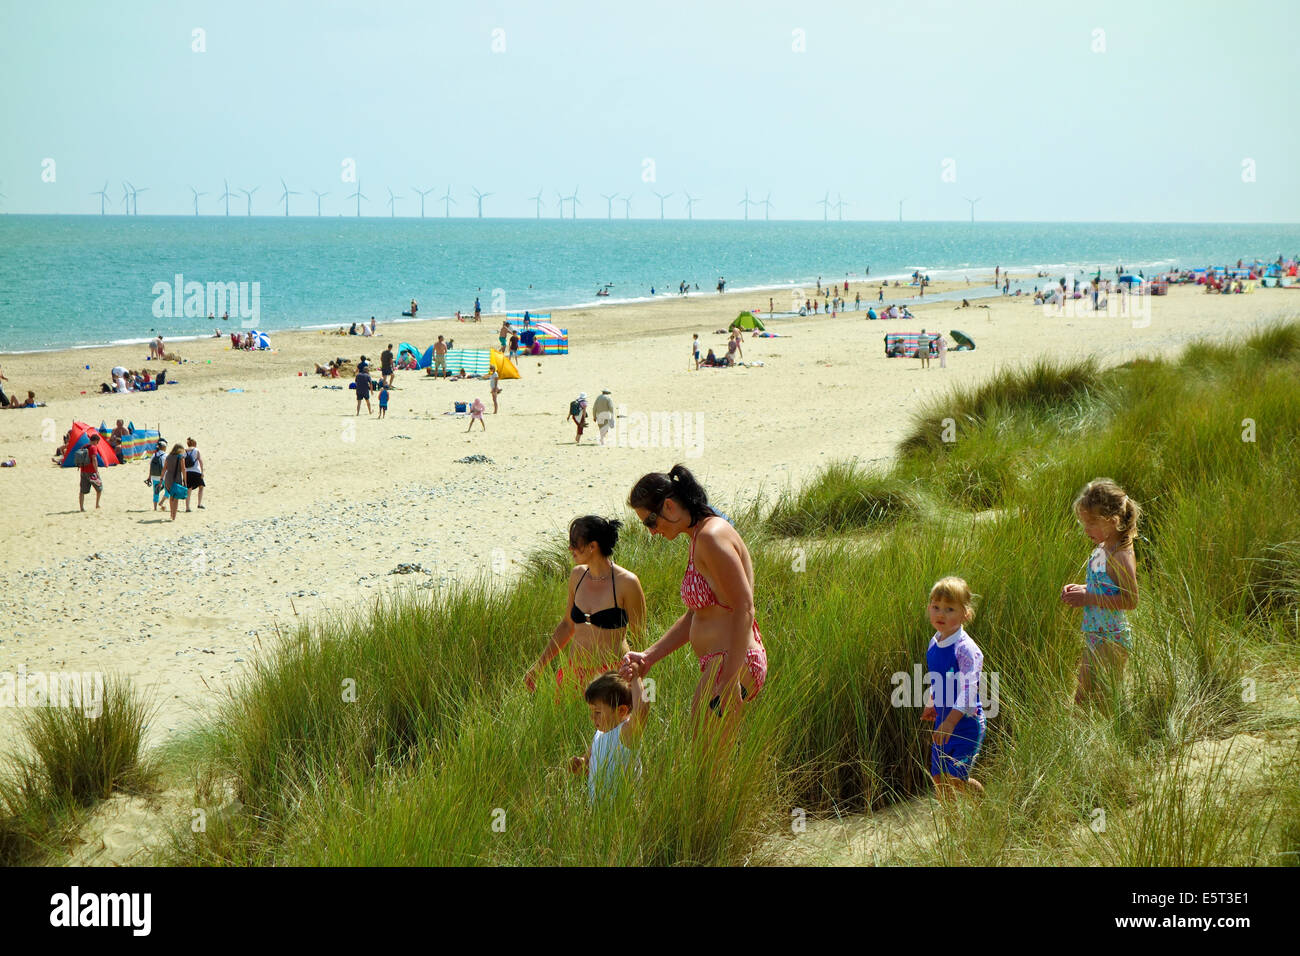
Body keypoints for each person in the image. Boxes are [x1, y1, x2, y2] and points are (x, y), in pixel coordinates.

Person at [621, 465, 766, 729]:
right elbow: (696, 615)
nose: (652, 532)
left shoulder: (711, 537)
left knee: (709, 765)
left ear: (669, 506)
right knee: (708, 762)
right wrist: (648, 656)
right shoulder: (699, 537)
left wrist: (728, 679)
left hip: (731, 663)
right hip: (722, 663)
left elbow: (745, 608)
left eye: (650, 522)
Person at [527, 516, 647, 695]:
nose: (570, 548)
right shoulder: (577, 576)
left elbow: (640, 638)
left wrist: (637, 686)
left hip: (612, 677)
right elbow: (568, 625)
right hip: (574, 674)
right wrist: (539, 666)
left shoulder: (626, 583)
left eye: (575, 543)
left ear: (593, 546)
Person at [1063, 479, 1140, 709]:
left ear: (1112, 521)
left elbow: (1131, 600)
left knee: (1103, 700)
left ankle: (1116, 740)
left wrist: (1088, 598)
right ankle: (1081, 739)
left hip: (1112, 637)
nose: (1086, 529)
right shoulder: (1101, 548)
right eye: (1083, 523)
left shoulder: (1121, 555)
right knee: (1084, 696)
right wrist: (1082, 589)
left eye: (1092, 523)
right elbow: (1103, 588)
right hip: (1095, 634)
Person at [920, 577, 986, 799]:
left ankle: (982, 806)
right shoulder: (934, 642)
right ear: (929, 608)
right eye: (936, 607)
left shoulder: (966, 649)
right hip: (943, 721)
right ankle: (953, 828)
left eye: (949, 609)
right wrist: (932, 702)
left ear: (965, 613)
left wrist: (950, 722)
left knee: (956, 779)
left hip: (965, 725)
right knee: (939, 779)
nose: (941, 614)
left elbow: (969, 690)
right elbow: (938, 679)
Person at [571, 671, 647, 804]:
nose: (592, 717)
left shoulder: (625, 733)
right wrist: (581, 762)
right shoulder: (599, 733)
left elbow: (642, 709)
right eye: (592, 712)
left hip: (622, 810)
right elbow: (587, 761)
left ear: (621, 711)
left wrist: (636, 676)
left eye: (598, 712)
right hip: (598, 809)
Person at [76, 433, 104, 511]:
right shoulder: (93, 448)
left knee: (82, 490)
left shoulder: (84, 447)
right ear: (95, 441)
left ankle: (81, 507)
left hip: (83, 471)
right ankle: (97, 504)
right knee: (99, 488)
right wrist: (96, 471)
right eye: (97, 442)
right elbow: (94, 459)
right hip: (91, 472)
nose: (97, 443)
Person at [161, 443, 188, 521]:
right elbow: (183, 470)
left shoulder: (168, 457)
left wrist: (161, 479)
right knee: (175, 498)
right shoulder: (181, 458)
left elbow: (164, 469)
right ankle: (174, 516)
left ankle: (171, 514)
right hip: (176, 478)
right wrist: (185, 481)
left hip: (168, 478)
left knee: (171, 496)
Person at [145, 438, 167, 511]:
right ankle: (161, 502)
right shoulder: (165, 455)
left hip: (154, 476)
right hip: (163, 477)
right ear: (164, 447)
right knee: (168, 492)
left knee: (156, 492)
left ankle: (155, 508)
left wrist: (149, 477)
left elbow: (151, 466)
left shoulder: (154, 455)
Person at [183, 437, 206, 510]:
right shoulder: (196, 450)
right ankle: (199, 504)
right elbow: (200, 461)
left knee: (188, 490)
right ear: (195, 444)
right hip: (196, 471)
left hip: (187, 472)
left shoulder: (184, 451)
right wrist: (202, 472)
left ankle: (187, 508)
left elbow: (182, 462)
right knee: (201, 486)